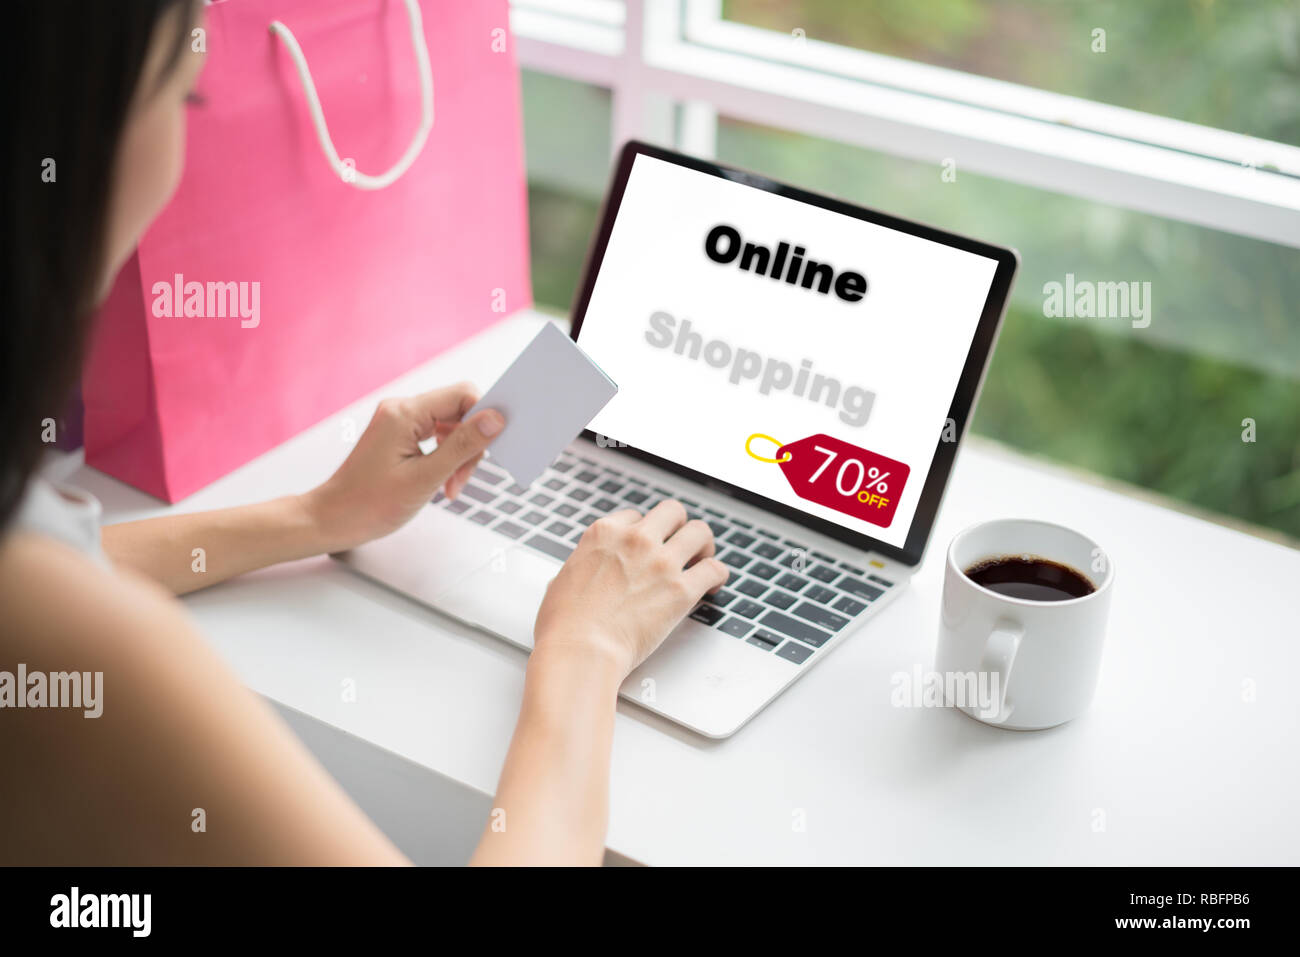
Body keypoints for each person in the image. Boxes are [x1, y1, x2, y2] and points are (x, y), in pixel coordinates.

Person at [0, 0, 727, 865]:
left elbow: (58, 562)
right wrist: (586, 647)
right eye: (185, 99)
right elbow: (46, 599)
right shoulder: (69, 641)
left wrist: (314, 519)